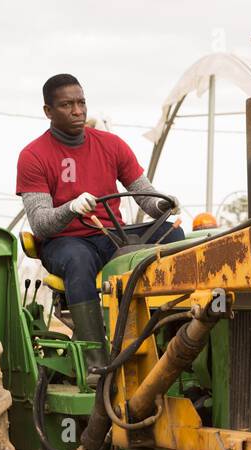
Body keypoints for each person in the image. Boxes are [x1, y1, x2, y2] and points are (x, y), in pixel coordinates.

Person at [16, 73, 184, 382]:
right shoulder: (34, 155)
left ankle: (176, 341)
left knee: (174, 236)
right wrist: (70, 208)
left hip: (111, 237)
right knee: (78, 260)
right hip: (65, 241)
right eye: (67, 105)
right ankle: (96, 360)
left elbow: (145, 197)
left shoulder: (111, 145)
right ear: (48, 111)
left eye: (81, 102)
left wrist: (164, 204)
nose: (78, 111)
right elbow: (40, 223)